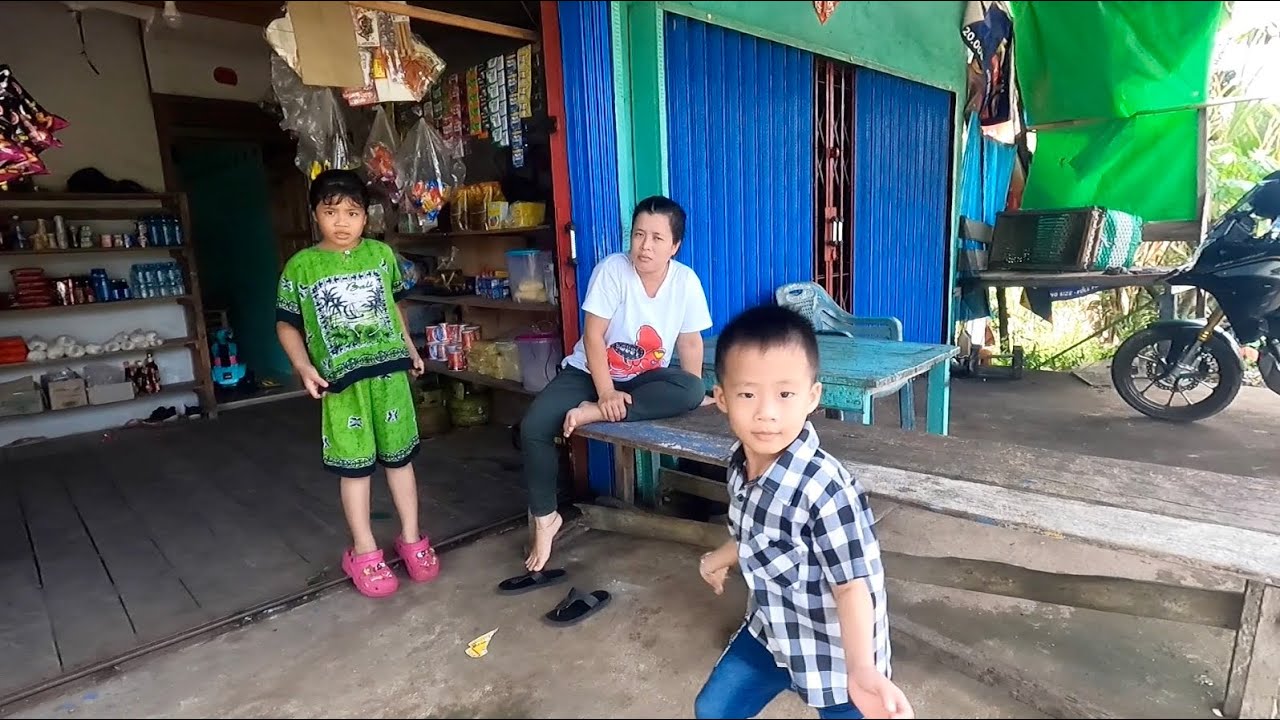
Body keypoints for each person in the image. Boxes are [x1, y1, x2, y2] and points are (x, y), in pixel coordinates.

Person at [694, 305, 913, 720]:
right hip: (773, 632)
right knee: (713, 710)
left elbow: (853, 587)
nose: (766, 412)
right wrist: (720, 557)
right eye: (747, 394)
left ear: (812, 397)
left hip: (837, 657)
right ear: (721, 398)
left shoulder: (826, 490)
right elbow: (752, 530)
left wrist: (863, 670)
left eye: (785, 393)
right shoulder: (738, 464)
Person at [519, 196, 712, 573]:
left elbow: (690, 342)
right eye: (639, 234)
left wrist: (693, 396)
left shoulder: (685, 282)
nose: (645, 245)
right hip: (589, 372)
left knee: (689, 389)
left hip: (643, 380)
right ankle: (546, 519)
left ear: (675, 246)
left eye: (657, 238)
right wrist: (605, 392)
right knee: (534, 427)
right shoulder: (612, 270)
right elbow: (593, 337)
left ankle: (592, 414)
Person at [275, 169, 439, 599]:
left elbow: (395, 307)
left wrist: (412, 350)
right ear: (315, 215)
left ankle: (410, 537)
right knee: (356, 468)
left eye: (352, 212)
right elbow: (287, 324)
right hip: (342, 385)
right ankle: (364, 550)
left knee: (401, 459)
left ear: (366, 217)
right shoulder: (302, 266)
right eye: (332, 212)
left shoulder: (382, 256)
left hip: (389, 377)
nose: (342, 222)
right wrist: (303, 367)